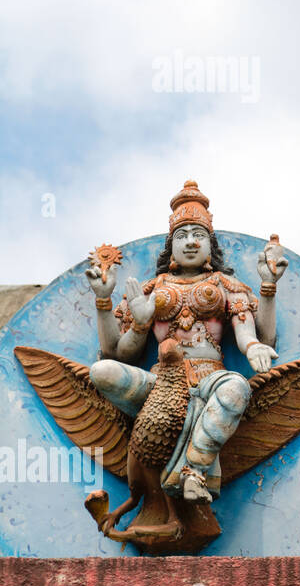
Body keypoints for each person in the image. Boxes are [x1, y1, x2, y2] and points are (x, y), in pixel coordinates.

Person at [85, 181, 287, 503]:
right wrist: (116, 308)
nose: (191, 242)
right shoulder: (151, 289)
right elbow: (118, 352)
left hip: (210, 378)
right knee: (103, 371)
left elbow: (252, 334)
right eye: (182, 236)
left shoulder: (226, 285)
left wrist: (265, 298)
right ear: (171, 246)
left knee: (236, 387)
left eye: (199, 235)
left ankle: (194, 471)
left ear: (210, 245)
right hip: (162, 382)